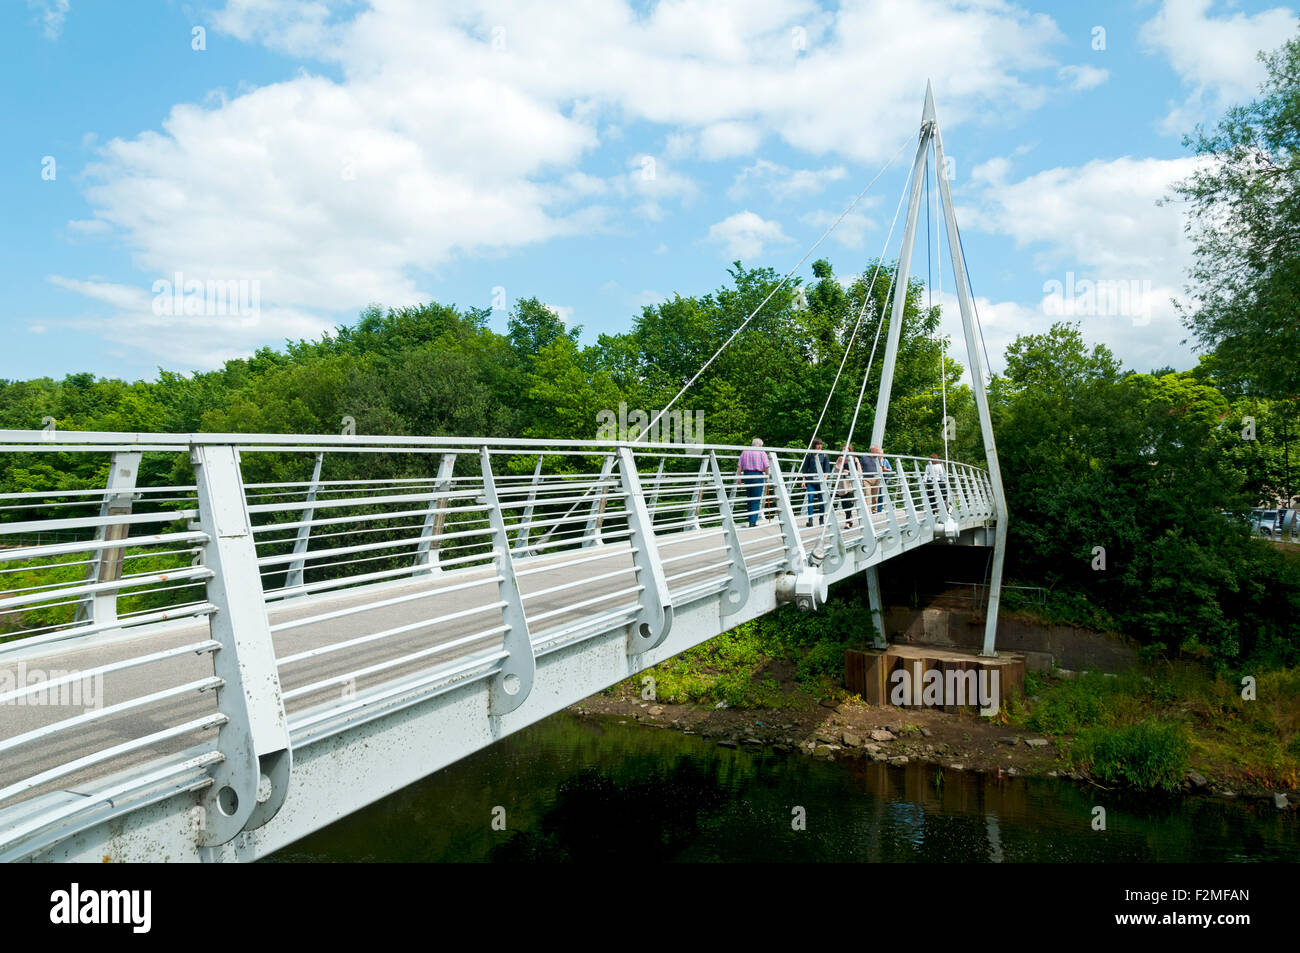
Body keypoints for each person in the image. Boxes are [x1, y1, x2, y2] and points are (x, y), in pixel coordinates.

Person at [736, 438, 769, 528]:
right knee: (756, 499)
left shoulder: (745, 451)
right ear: (760, 445)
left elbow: (739, 466)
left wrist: (738, 478)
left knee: (749, 498)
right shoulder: (762, 452)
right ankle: (752, 522)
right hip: (757, 475)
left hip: (747, 475)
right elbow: (766, 466)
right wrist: (767, 477)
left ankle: (750, 519)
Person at [800, 438, 830, 527]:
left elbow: (827, 470)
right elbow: (805, 469)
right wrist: (803, 480)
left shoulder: (824, 456)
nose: (820, 446)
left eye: (821, 444)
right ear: (814, 445)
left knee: (821, 501)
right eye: (818, 444)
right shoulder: (809, 455)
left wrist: (825, 479)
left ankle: (821, 520)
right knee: (810, 499)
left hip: (820, 482)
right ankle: (810, 520)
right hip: (811, 481)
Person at [834, 443, 861, 528]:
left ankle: (847, 522)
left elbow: (859, 472)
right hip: (842, 484)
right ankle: (850, 518)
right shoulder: (840, 459)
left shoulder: (855, 459)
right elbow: (836, 470)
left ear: (850, 450)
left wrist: (849, 472)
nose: (845, 451)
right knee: (844, 504)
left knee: (849, 503)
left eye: (847, 449)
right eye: (843, 449)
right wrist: (842, 469)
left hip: (851, 484)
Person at [923, 453, 948, 521]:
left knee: (932, 496)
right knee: (940, 495)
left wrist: (924, 481)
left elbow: (926, 474)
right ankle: (938, 509)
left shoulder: (928, 466)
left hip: (931, 482)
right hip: (937, 482)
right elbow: (941, 474)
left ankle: (933, 510)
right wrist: (944, 481)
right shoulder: (939, 465)